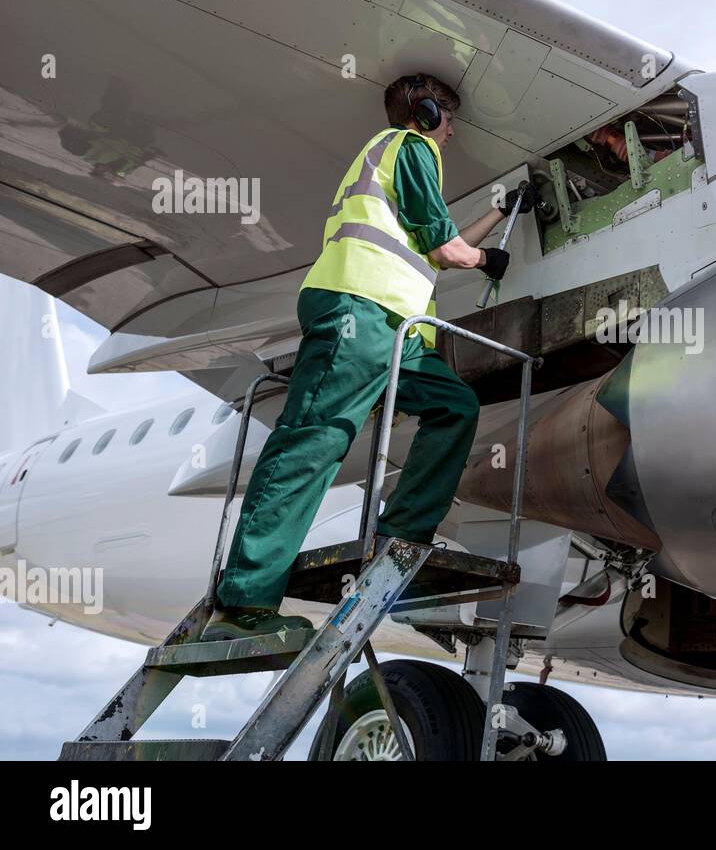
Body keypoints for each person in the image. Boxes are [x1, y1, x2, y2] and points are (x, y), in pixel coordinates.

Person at [202, 72, 533, 640]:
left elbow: (438, 245)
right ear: (426, 115)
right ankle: (243, 604)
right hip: (358, 313)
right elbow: (447, 249)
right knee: (316, 440)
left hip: (393, 332)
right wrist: (485, 261)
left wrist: (500, 216)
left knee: (454, 405)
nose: (451, 132)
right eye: (448, 120)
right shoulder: (410, 148)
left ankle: (400, 535)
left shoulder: (398, 170)